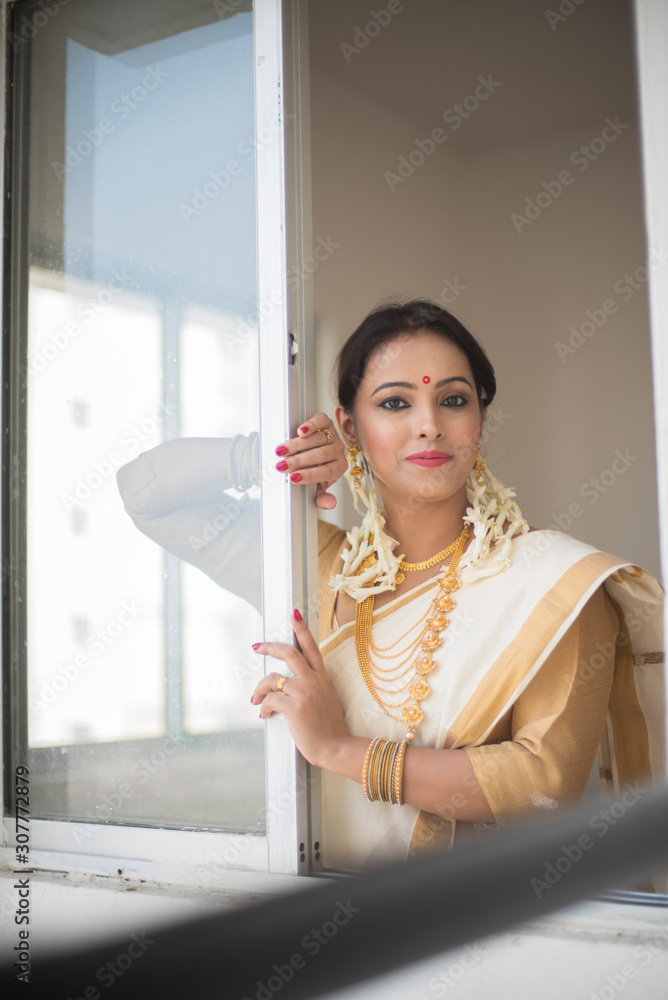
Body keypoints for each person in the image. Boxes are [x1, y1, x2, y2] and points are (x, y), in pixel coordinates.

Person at [117, 299, 664, 874]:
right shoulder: (314, 565)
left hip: (471, 931)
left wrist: (339, 750)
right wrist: (272, 457)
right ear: (350, 427)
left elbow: (541, 785)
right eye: (395, 403)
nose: (428, 423)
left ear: (480, 418)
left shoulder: (552, 585)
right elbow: (144, 494)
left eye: (453, 400)